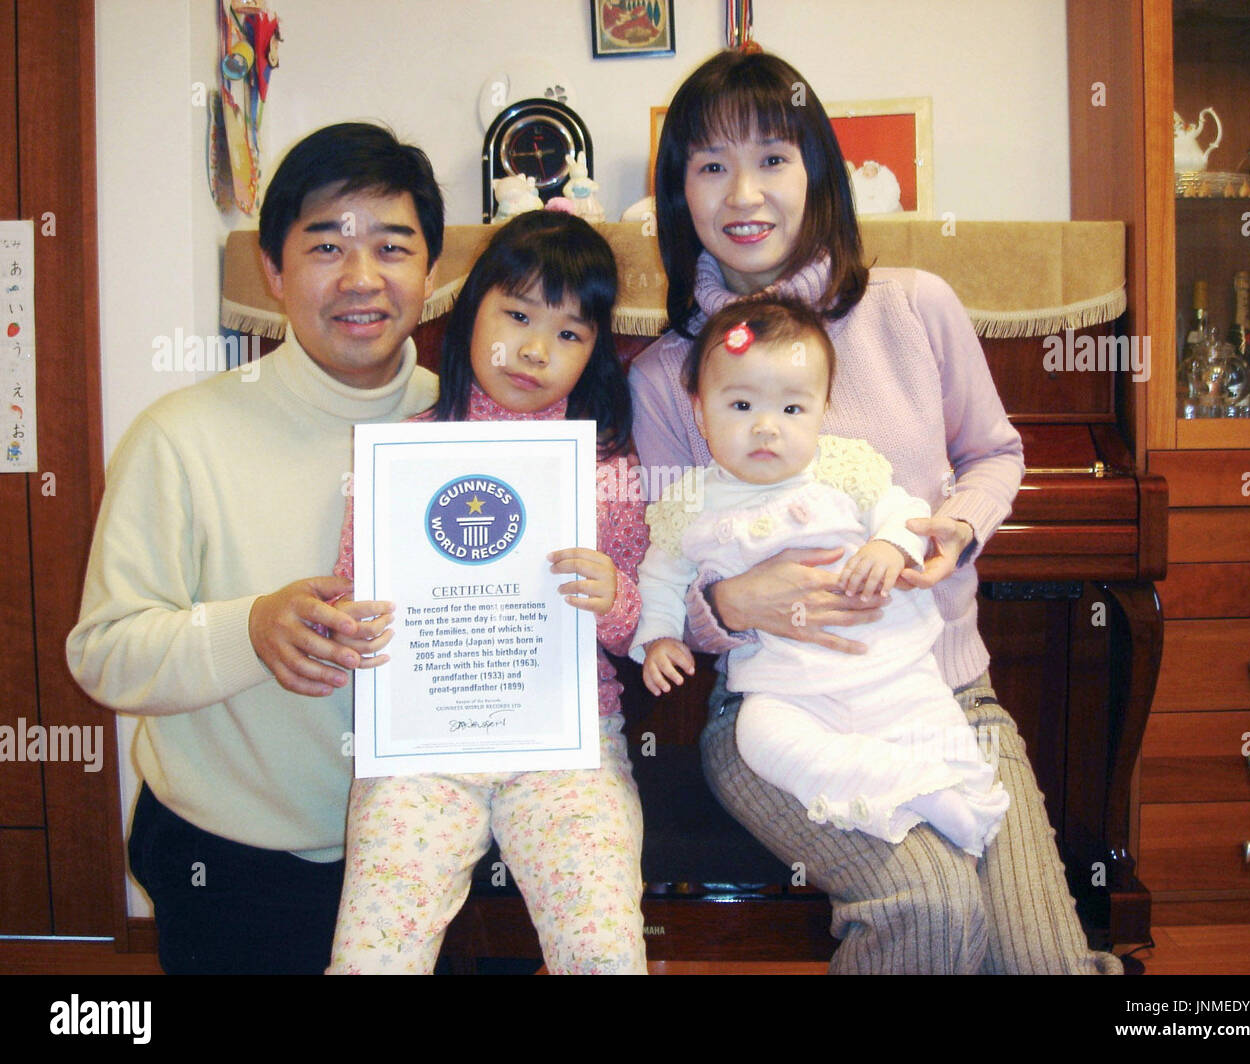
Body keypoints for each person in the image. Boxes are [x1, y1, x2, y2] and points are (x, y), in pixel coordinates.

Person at [628, 48, 1122, 974]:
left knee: (1045, 964)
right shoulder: (664, 377)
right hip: (779, 718)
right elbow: (672, 566)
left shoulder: (916, 306)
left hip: (945, 700)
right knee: (928, 909)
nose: (745, 192)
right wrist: (735, 601)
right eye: (710, 165)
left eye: (773, 157)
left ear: (818, 171)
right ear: (679, 193)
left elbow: (996, 454)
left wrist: (955, 528)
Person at [65, 122, 444, 974]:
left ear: (433, 271)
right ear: (272, 270)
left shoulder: (479, 432)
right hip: (233, 868)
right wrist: (249, 630)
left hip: (436, 856)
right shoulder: (181, 436)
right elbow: (105, 654)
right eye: (324, 246)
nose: (360, 278)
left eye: (392, 246)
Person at [327, 211, 649, 975]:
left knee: (604, 949)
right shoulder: (401, 452)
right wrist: (355, 621)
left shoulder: (607, 465)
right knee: (372, 955)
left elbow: (641, 626)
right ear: (471, 311)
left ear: (596, 351)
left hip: (567, 740)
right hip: (425, 741)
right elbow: (350, 594)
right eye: (517, 314)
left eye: (571, 333)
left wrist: (616, 599)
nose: (537, 350)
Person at [633, 297, 1008, 857]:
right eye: (739, 404)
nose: (765, 428)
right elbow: (659, 578)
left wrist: (889, 544)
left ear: (822, 409)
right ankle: (909, 786)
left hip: (890, 670)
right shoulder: (689, 503)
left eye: (791, 409)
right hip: (788, 690)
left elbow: (902, 512)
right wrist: (660, 637)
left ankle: (953, 793)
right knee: (760, 739)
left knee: (941, 730)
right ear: (700, 410)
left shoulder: (844, 468)